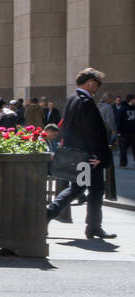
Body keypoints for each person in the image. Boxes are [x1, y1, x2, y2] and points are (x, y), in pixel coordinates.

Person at [47, 69, 115, 239]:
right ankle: (91, 226)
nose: (97, 88)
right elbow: (92, 133)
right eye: (97, 84)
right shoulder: (85, 102)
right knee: (91, 190)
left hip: (80, 155)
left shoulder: (72, 99)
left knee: (79, 188)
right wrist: (98, 157)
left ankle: (93, 226)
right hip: (89, 157)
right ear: (90, 82)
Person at [117, 94, 135, 168]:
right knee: (123, 149)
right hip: (124, 133)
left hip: (134, 132)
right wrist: (119, 131)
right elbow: (119, 121)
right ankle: (123, 163)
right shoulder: (123, 109)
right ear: (131, 99)